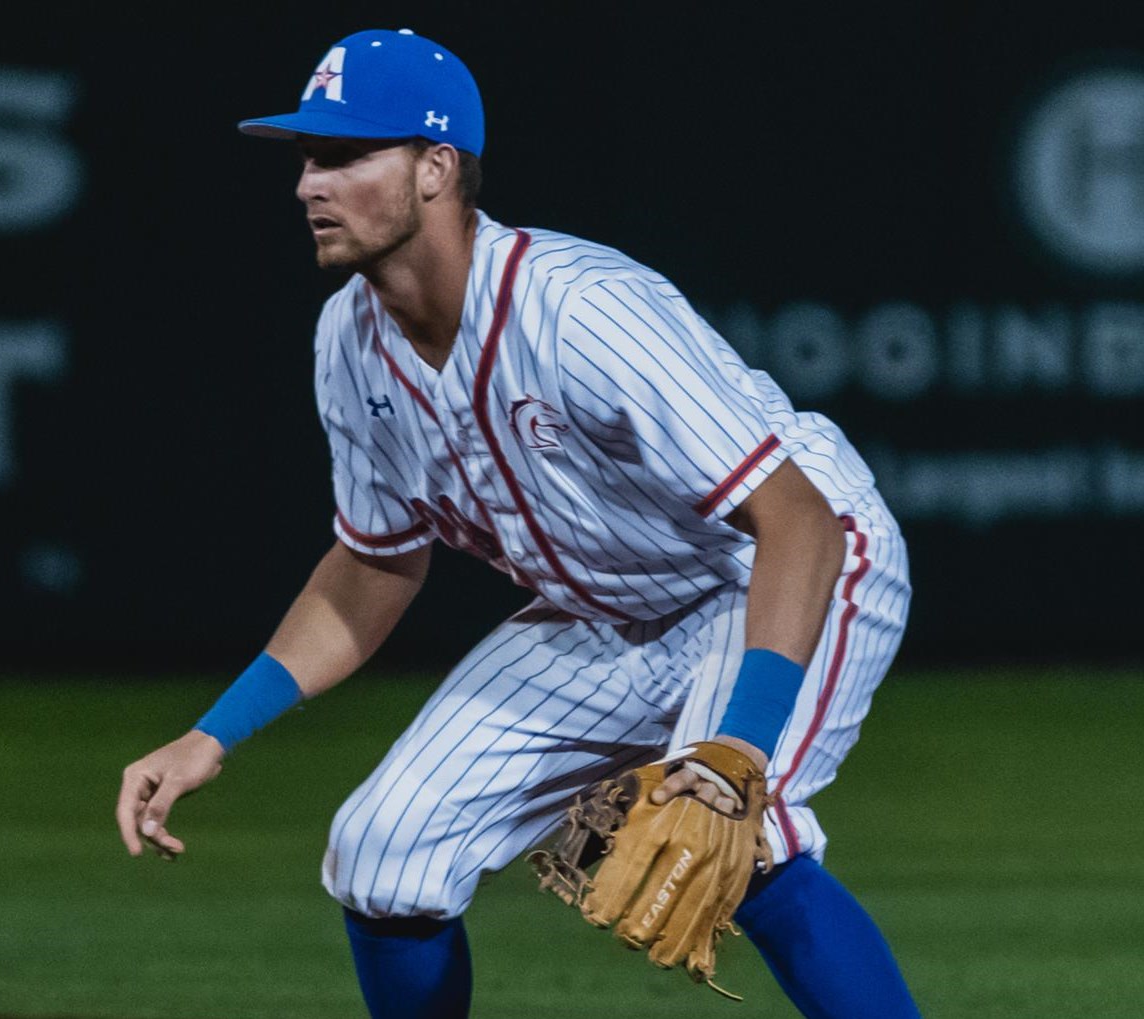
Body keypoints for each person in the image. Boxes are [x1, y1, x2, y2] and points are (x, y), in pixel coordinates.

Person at [114, 27, 921, 1019]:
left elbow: (794, 518)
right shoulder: (348, 341)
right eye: (305, 158)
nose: (308, 185)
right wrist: (212, 732)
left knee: (734, 836)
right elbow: (374, 567)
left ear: (435, 168)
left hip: (781, 562)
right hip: (612, 606)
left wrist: (736, 749)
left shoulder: (580, 310)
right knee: (383, 854)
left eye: (344, 155)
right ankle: (629, 816)